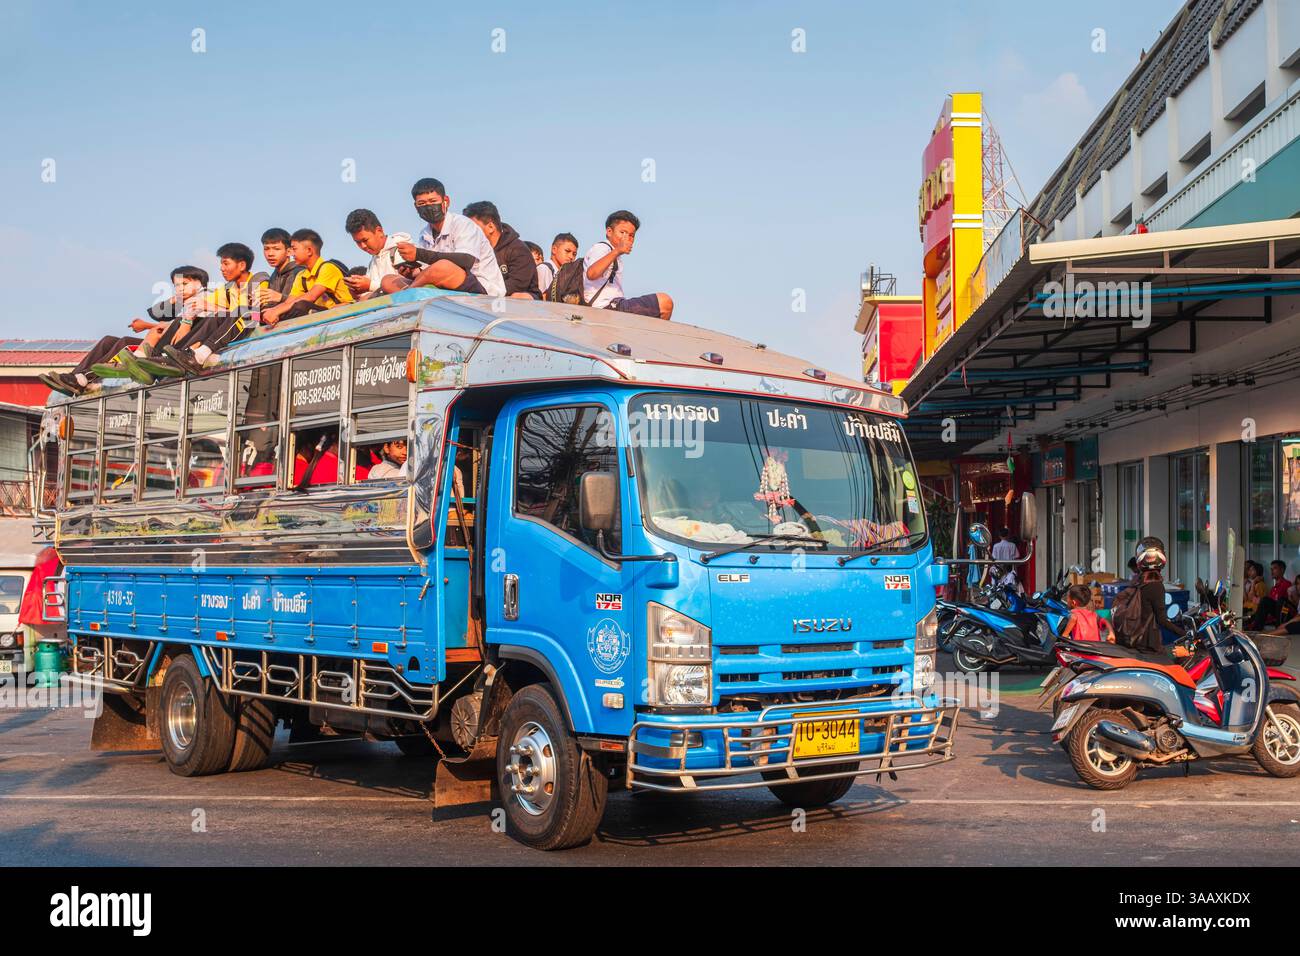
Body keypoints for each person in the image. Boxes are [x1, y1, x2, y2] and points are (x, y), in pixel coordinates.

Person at [41, 265, 210, 395]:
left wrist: (147, 326)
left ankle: (84, 378)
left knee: (125, 344)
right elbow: (158, 315)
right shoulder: (186, 302)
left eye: (184, 284)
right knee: (108, 340)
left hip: (175, 347)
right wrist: (174, 300)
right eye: (176, 285)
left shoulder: (205, 298)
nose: (179, 288)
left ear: (199, 283)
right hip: (165, 339)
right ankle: (74, 377)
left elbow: (185, 325)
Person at [395, 177, 505, 297]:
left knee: (443, 266)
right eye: (422, 204)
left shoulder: (463, 224)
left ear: (446, 201)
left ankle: (408, 295)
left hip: (483, 289)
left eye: (433, 201)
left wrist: (418, 254)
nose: (428, 207)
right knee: (389, 280)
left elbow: (466, 261)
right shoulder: (424, 234)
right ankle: (410, 291)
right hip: (446, 284)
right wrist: (413, 272)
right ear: (416, 207)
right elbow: (429, 270)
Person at [582, 211, 673, 319]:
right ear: (609, 232)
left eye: (631, 235)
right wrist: (617, 251)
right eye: (622, 232)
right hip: (606, 308)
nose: (627, 238)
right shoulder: (602, 248)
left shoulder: (613, 254)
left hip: (615, 306)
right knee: (664, 302)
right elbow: (592, 273)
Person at [258, 229, 355, 328]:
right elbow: (290, 300)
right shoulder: (301, 275)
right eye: (266, 249)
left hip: (343, 312)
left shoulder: (327, 268)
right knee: (266, 312)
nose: (291, 253)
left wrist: (277, 310)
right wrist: (272, 311)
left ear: (309, 251)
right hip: (321, 312)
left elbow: (311, 296)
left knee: (301, 305)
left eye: (294, 249)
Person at [462, 201, 540, 299]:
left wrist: (479, 289)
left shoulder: (518, 250)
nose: (468, 232)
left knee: (518, 296)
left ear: (490, 227)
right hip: (482, 299)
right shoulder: (470, 249)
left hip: (517, 304)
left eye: (472, 227)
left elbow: (516, 285)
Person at [343, 208, 413, 299]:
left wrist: (370, 285)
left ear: (379, 231)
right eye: (358, 242)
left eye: (365, 240)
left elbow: (407, 289)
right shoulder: (373, 262)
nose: (363, 246)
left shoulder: (401, 250)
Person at [254, 227, 304, 309]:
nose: (270, 254)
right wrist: (256, 305)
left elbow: (304, 302)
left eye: (276, 249)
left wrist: (280, 297)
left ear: (289, 252)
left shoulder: (299, 272)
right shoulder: (274, 275)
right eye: (266, 249)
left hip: (297, 318)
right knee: (246, 312)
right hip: (272, 317)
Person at [1248, 560, 1290, 630]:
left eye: (1275, 568)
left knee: (1265, 600)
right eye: (1271, 569)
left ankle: (1255, 629)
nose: (1272, 571)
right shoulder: (1273, 588)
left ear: (1282, 570)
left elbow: (1286, 605)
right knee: (1251, 616)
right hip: (1273, 614)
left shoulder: (1287, 585)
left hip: (1283, 614)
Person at [536, 231, 578, 297]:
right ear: (554, 249)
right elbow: (541, 300)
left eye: (574, 254)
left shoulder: (565, 275)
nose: (571, 257)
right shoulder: (544, 269)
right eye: (567, 251)